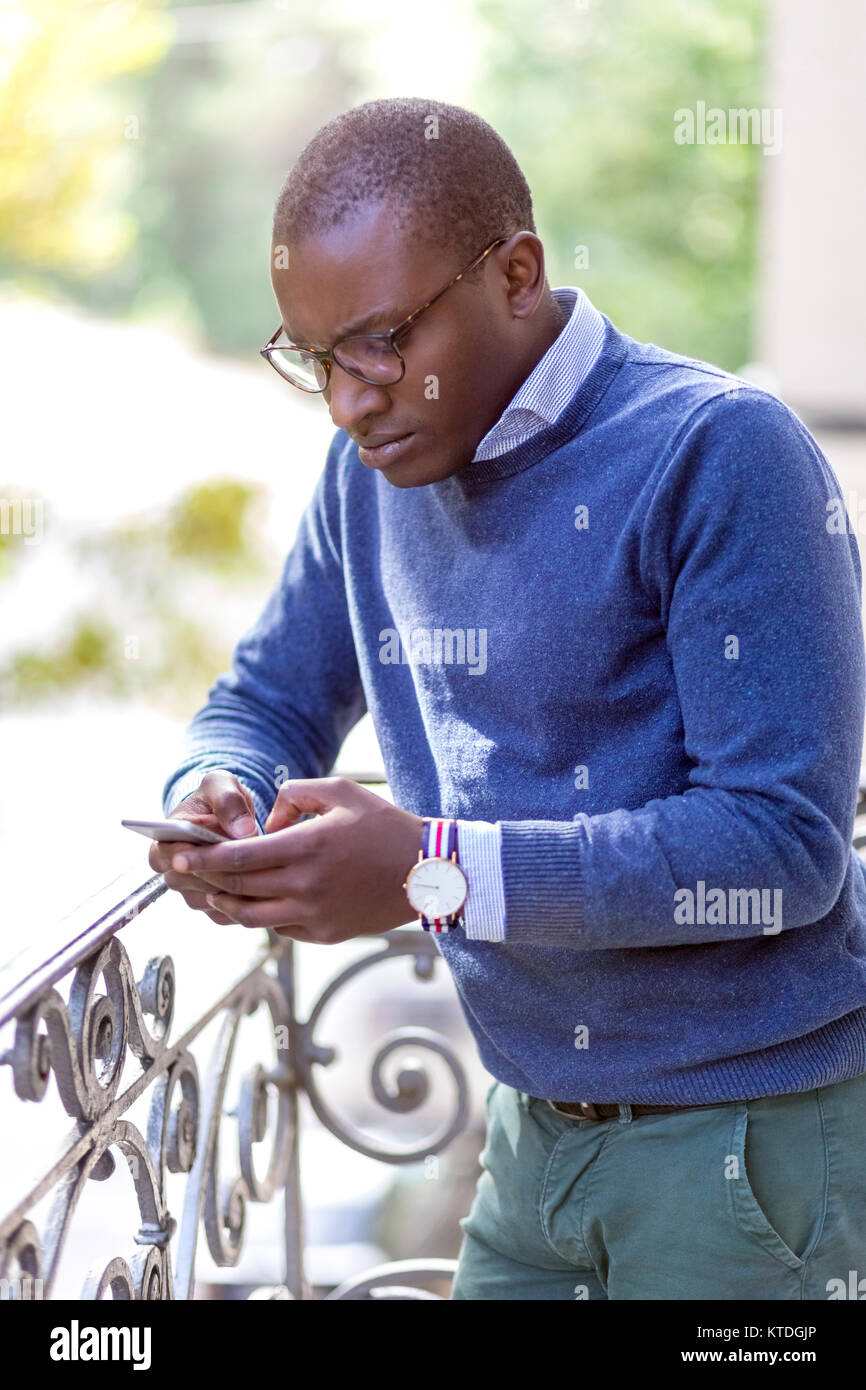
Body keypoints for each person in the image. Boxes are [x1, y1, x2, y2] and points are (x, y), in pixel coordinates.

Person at [150, 96, 866, 1300]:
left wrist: (431, 872)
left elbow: (781, 847)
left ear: (517, 274)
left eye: (380, 343)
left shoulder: (720, 450)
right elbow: (264, 698)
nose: (349, 400)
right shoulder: (366, 475)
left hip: (749, 1151)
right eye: (315, 359)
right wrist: (217, 787)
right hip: (528, 1135)